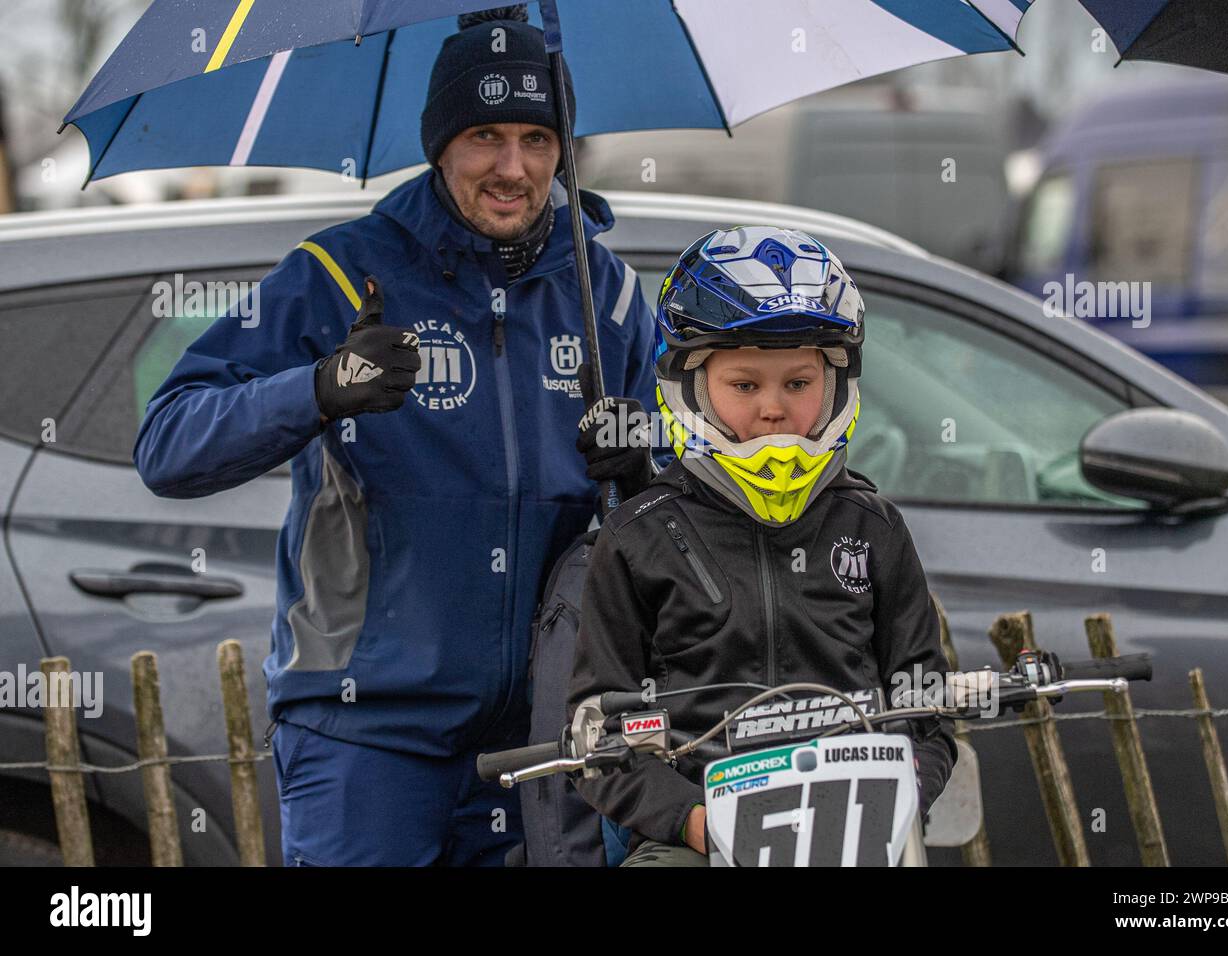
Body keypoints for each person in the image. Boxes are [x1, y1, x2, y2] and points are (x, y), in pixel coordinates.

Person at [133, 8, 656, 866]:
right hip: (365, 731)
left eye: (536, 136)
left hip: (546, 740)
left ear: (564, 146)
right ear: (438, 143)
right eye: (484, 134)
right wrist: (318, 390)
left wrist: (646, 463)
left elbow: (699, 476)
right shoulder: (337, 272)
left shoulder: (611, 297)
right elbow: (168, 446)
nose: (513, 167)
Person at [566, 225, 957, 866]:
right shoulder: (638, 534)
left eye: (797, 384)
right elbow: (599, 736)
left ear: (834, 386)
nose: (773, 409)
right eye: (745, 385)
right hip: (696, 838)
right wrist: (696, 822)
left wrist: (896, 793)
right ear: (693, 387)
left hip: (857, 828)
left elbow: (926, 710)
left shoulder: (873, 527)